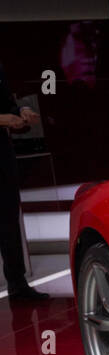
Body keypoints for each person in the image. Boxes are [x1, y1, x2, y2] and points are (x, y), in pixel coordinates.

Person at [0, 61, 45, 301]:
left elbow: (8, 105)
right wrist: (2, 119)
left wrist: (21, 113)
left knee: (9, 219)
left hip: (2, 153)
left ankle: (17, 285)